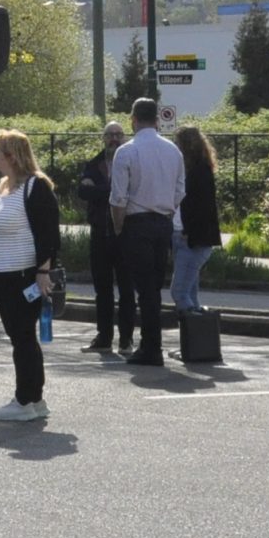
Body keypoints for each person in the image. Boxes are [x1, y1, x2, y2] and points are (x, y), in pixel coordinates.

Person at [0, 129, 62, 422]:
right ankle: (35, 399)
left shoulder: (35, 186)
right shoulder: (3, 186)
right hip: (2, 276)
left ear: (11, 157)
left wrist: (43, 271)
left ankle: (25, 399)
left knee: (22, 337)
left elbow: (48, 233)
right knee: (22, 336)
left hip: (22, 274)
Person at [109, 97, 186, 368]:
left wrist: (119, 227)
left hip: (137, 222)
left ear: (133, 119)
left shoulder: (127, 152)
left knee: (143, 289)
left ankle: (150, 346)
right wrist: (166, 210)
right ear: (157, 119)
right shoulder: (173, 151)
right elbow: (179, 191)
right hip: (163, 222)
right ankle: (151, 343)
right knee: (153, 286)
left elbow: (118, 197)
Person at [74, 122, 129, 355]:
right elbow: (82, 191)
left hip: (125, 234)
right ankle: (104, 337)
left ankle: (126, 340)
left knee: (127, 289)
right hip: (99, 233)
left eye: (118, 135)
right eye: (110, 135)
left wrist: (99, 189)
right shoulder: (93, 163)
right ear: (103, 138)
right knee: (102, 290)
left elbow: (132, 191)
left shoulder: (131, 161)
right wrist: (111, 190)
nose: (114, 139)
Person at [170, 123, 222, 315]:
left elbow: (199, 207)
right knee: (190, 290)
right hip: (184, 235)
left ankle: (194, 330)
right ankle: (195, 332)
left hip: (191, 239)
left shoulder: (197, 172)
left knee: (179, 292)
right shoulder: (199, 169)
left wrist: (187, 232)